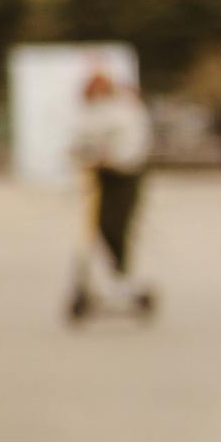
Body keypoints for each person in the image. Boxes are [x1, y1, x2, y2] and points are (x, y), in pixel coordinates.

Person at [69, 68, 154, 314]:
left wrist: (113, 158)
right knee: (100, 225)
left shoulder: (125, 110)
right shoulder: (90, 112)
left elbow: (134, 143)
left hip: (125, 175)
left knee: (118, 224)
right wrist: (82, 156)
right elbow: (79, 140)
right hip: (100, 178)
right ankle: (115, 276)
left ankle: (122, 275)